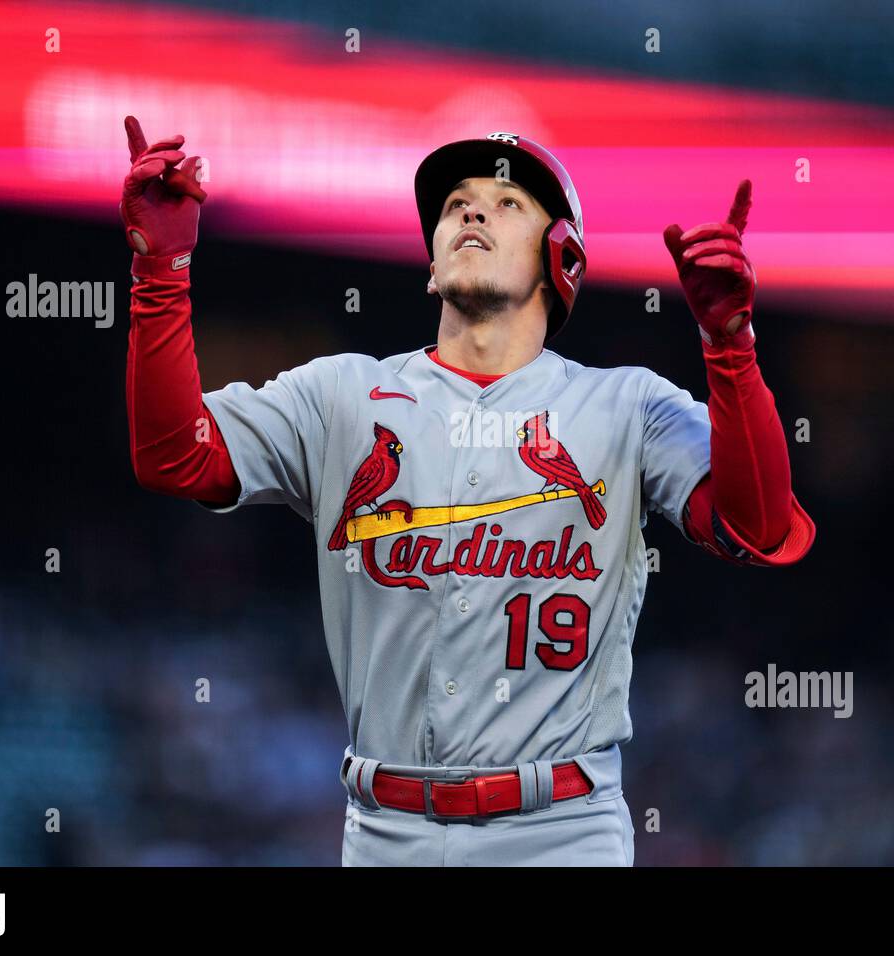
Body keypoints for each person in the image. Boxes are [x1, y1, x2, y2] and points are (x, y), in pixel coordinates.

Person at [120, 120, 815, 866]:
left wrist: (730, 346)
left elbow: (758, 525)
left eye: (506, 203)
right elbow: (174, 457)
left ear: (563, 260)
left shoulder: (626, 406)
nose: (472, 212)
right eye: (456, 204)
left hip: (559, 830)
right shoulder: (345, 394)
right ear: (430, 264)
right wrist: (161, 273)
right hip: (384, 829)